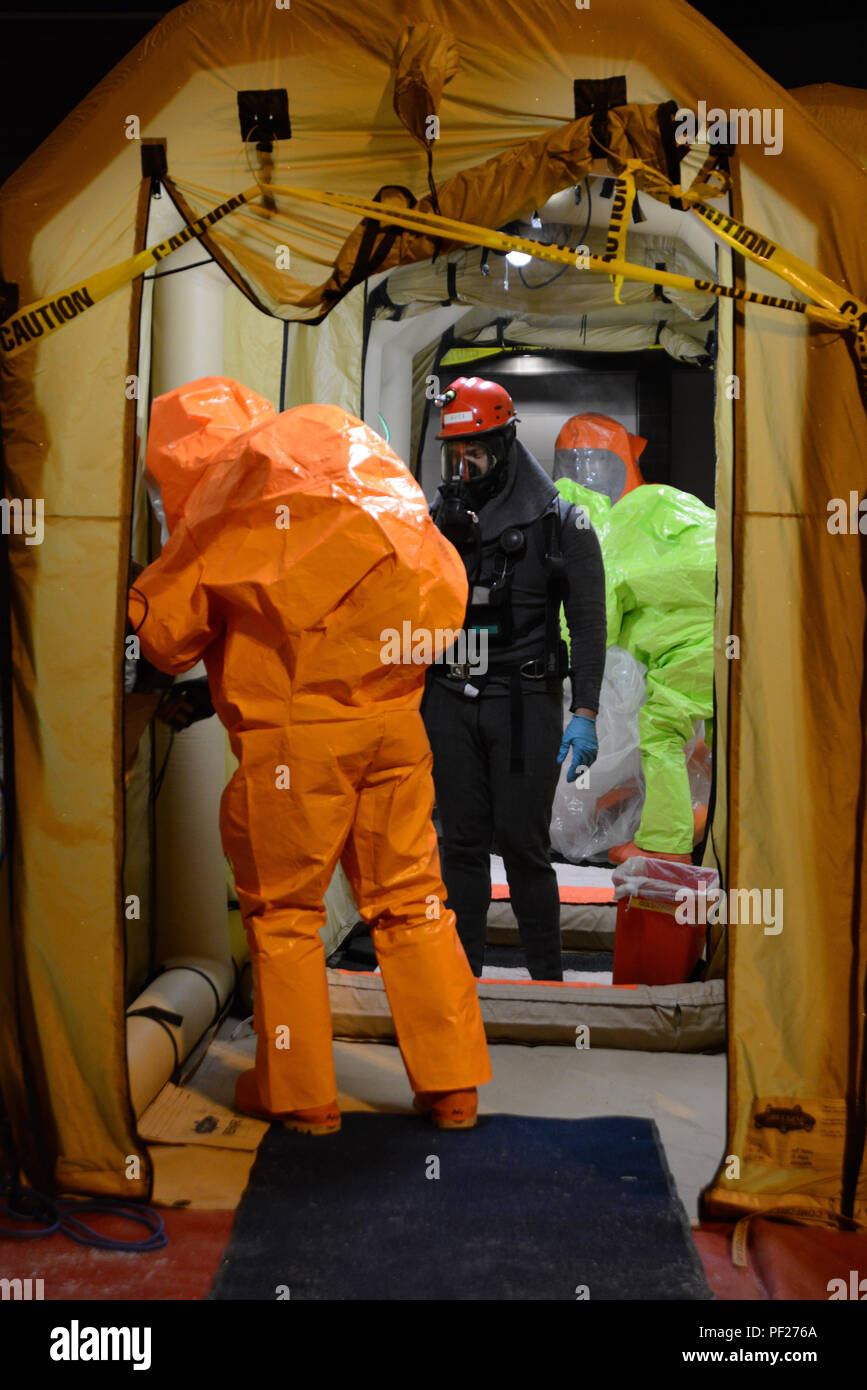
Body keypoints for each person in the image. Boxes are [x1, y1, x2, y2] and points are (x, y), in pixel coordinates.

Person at [127, 377, 491, 1134]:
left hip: (297, 746)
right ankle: (452, 1086)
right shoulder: (348, 455)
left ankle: (299, 1095)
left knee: (285, 915)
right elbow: (435, 579)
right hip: (394, 721)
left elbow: (164, 634)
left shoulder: (226, 496)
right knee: (413, 902)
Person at [422, 377, 607, 982]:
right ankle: (461, 984)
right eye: (455, 454)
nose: (464, 465)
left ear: (505, 443)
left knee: (525, 848)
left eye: (475, 450)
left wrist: (585, 711)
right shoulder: (440, 519)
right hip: (450, 697)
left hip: (524, 701)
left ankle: (548, 985)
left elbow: (587, 621)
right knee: (460, 846)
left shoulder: (561, 521)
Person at [553, 412, 715, 863]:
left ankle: (666, 848)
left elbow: (594, 622)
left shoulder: (607, 538)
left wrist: (562, 652)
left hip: (691, 648)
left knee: (660, 733)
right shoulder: (664, 503)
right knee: (720, 740)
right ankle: (715, 823)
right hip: (746, 629)